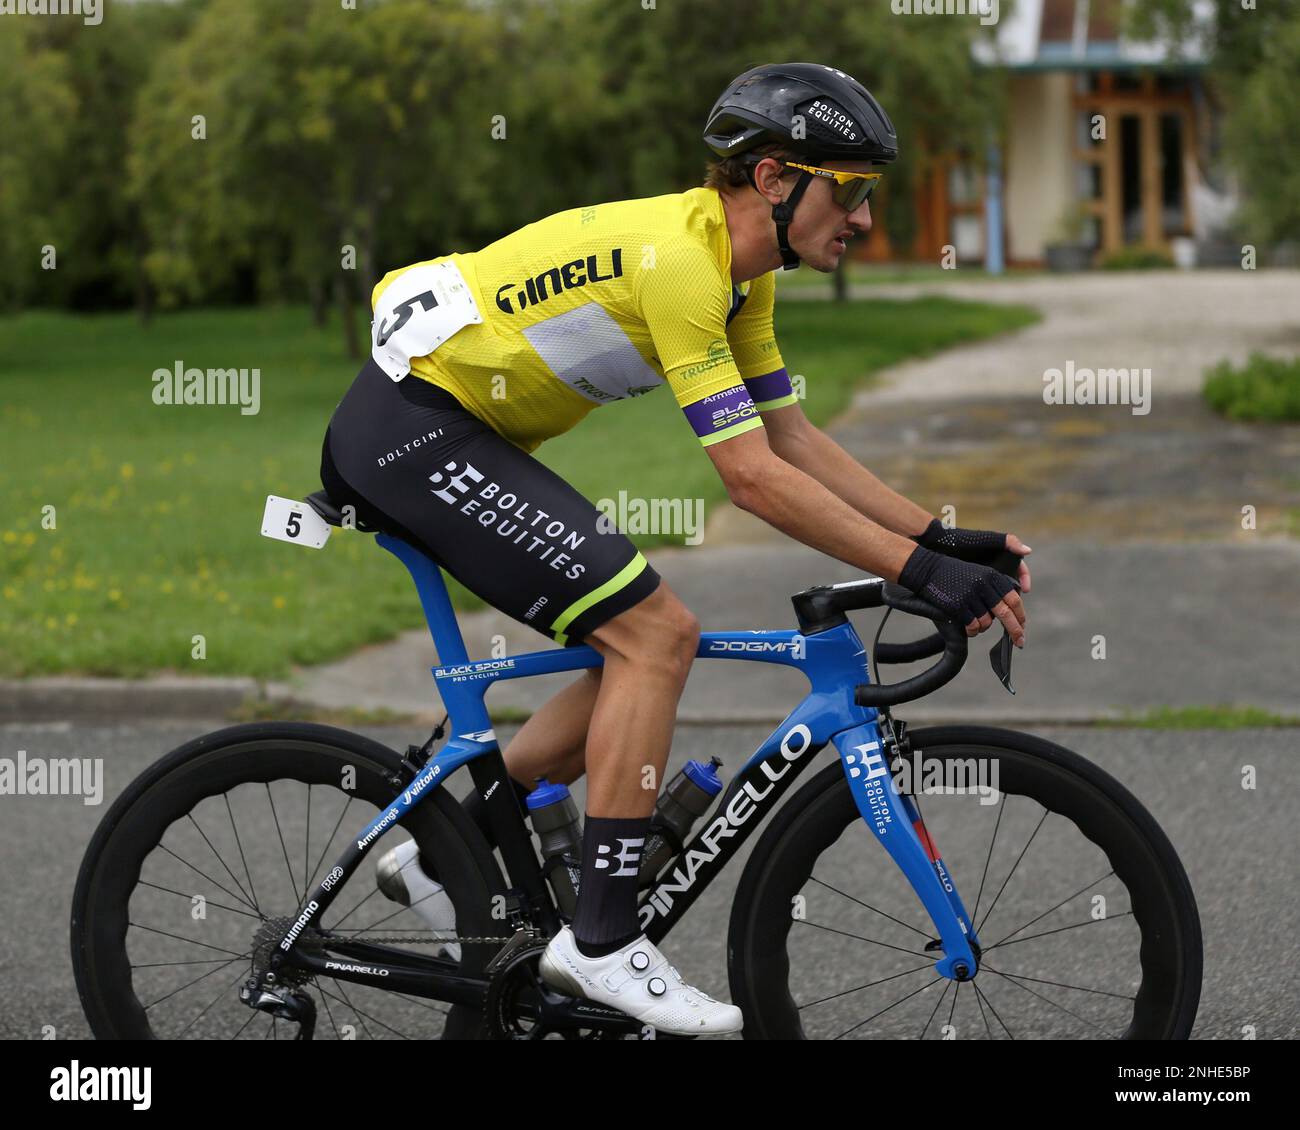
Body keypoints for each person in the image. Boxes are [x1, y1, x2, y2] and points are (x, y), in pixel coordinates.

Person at [320, 62, 1030, 1038]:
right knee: (655, 634)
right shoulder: (682, 264)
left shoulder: (742, 278)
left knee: (655, 643)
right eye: (852, 190)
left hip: (446, 429)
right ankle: (601, 942)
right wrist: (925, 577)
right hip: (410, 433)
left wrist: (939, 537)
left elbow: (792, 439)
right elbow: (750, 478)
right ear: (776, 179)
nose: (864, 218)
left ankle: (450, 852)